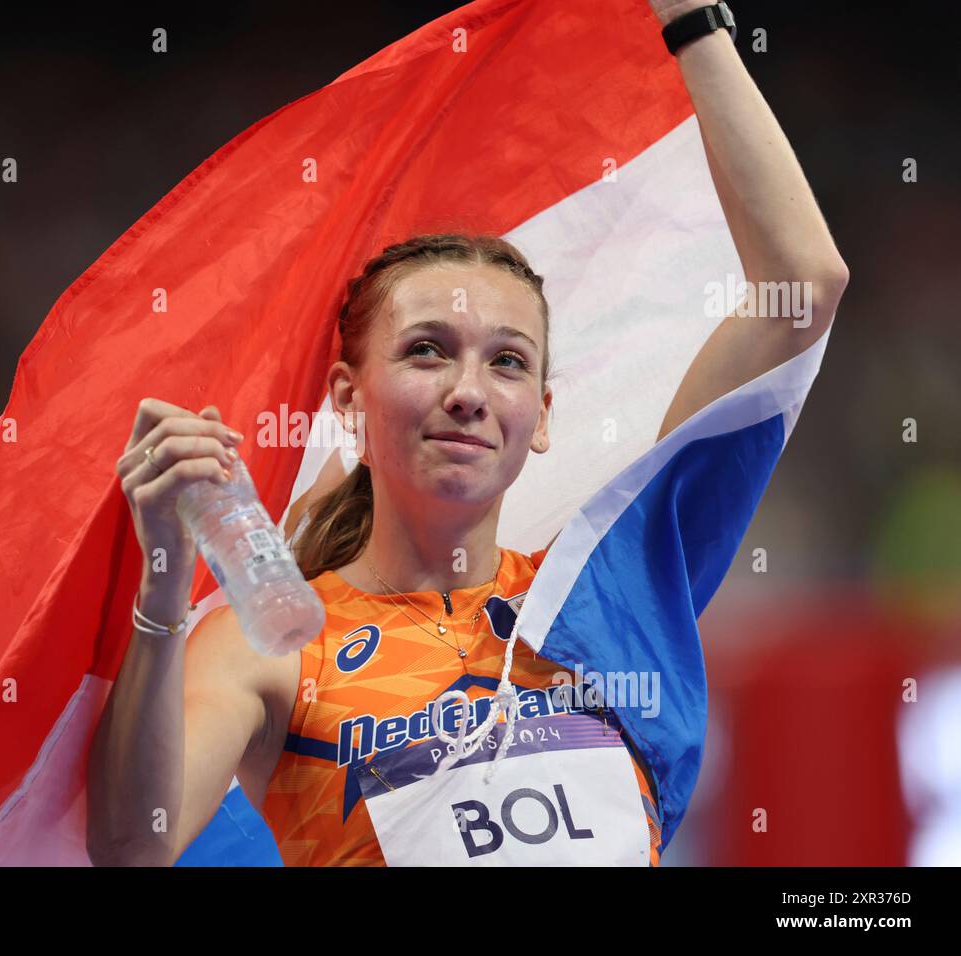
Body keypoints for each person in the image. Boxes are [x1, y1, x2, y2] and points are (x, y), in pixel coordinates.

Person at [86, 0, 849, 867]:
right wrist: (161, 582)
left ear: (545, 418)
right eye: (426, 352)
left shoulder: (599, 595)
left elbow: (805, 284)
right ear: (348, 399)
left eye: (509, 363)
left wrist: (690, 19)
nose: (468, 393)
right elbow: (130, 848)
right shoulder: (278, 640)